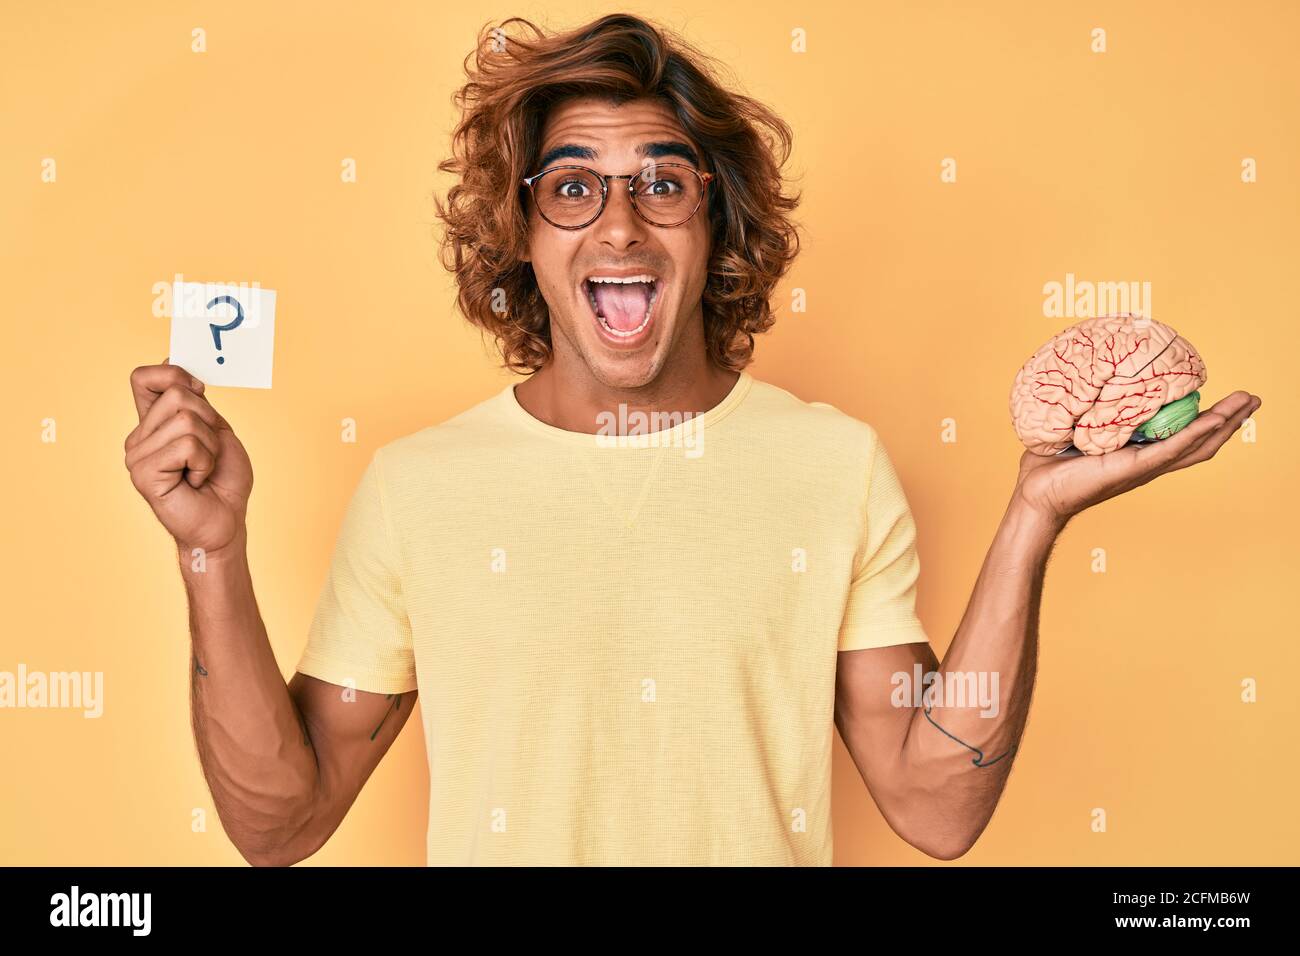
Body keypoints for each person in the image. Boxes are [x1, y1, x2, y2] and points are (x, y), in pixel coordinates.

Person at [123, 13, 1261, 866]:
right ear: (520, 235)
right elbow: (280, 823)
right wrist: (210, 548)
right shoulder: (417, 487)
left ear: (716, 223)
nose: (618, 222)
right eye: (571, 187)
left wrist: (1031, 519)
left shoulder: (834, 466)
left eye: (662, 184)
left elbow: (934, 802)